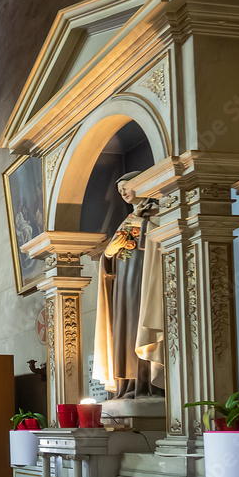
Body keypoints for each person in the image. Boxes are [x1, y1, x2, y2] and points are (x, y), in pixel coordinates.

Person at [93, 171, 165, 399]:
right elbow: (111, 256)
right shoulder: (128, 219)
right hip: (123, 282)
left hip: (143, 278)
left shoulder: (156, 211)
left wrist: (145, 222)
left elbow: (158, 239)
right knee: (123, 329)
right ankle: (127, 386)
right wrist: (109, 254)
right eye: (119, 190)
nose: (123, 192)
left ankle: (145, 386)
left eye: (126, 186)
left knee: (138, 324)